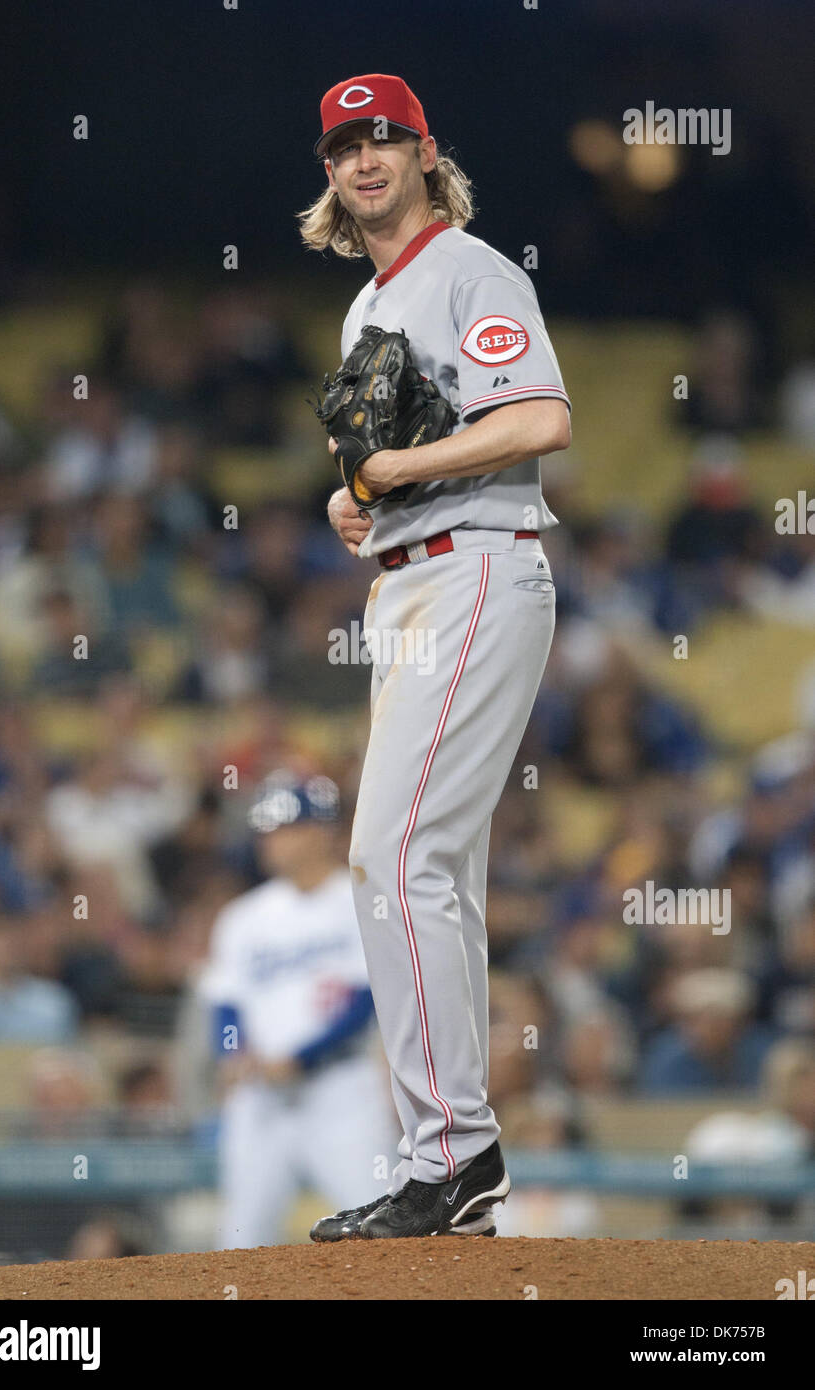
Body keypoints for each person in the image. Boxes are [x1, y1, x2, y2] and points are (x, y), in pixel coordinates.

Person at [299, 74, 571, 1239]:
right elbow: (372, 464)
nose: (365, 159)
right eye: (342, 145)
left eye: (385, 139)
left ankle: (448, 1155)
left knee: (392, 857)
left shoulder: (472, 268)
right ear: (326, 173)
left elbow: (539, 418)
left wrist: (391, 476)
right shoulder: (366, 311)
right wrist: (349, 504)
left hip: (475, 566)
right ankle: (454, 1167)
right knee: (427, 873)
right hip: (410, 578)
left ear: (422, 154)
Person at [198, 772, 395, 1249]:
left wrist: (299, 1058)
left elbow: (365, 1002)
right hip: (261, 1098)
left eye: (282, 827)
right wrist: (232, 1052)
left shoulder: (361, 901)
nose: (268, 840)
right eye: (264, 830)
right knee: (241, 1240)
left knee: (377, 1233)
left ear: (319, 831)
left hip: (342, 1093)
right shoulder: (243, 917)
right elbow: (226, 1004)